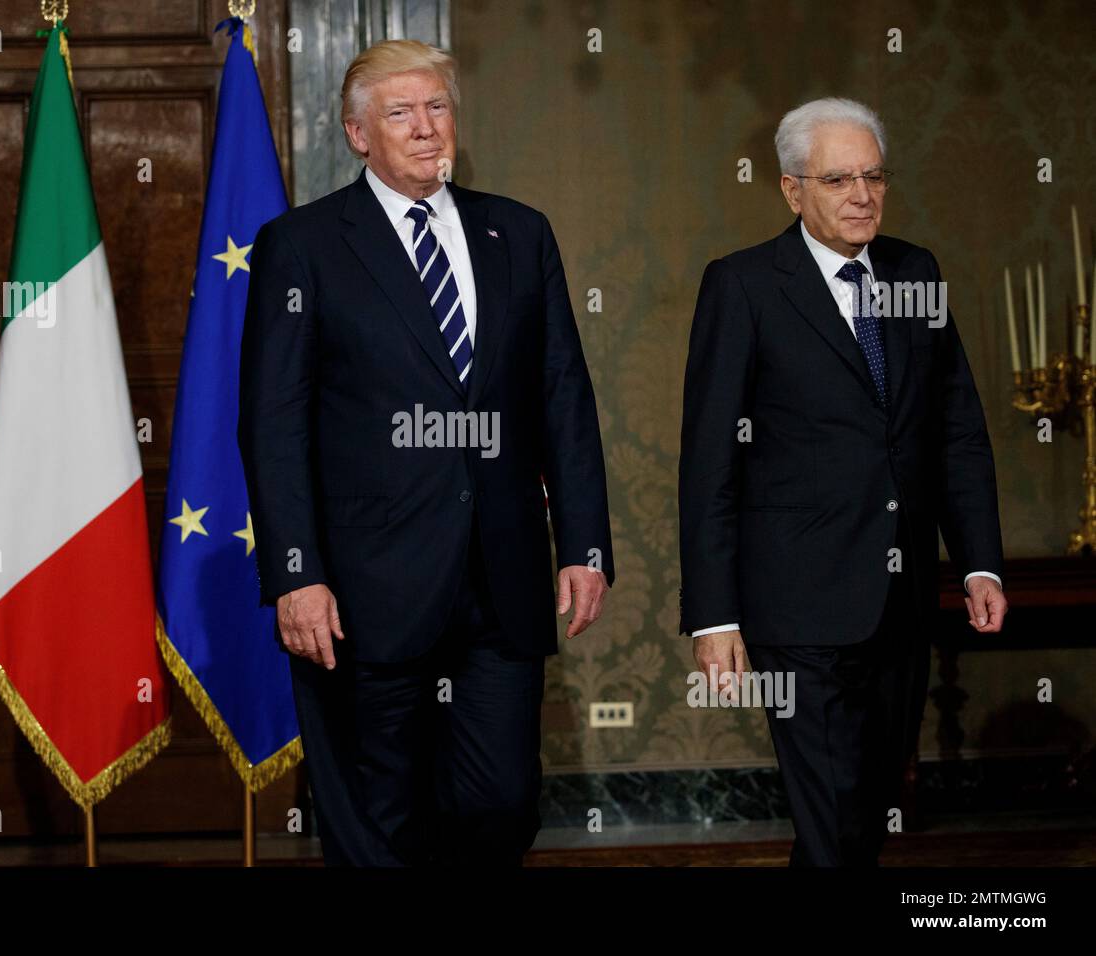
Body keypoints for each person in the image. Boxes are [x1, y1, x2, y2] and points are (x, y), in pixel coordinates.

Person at [238, 39, 613, 866]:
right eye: (400, 112)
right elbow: (274, 423)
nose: (423, 128)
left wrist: (584, 544)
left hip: (500, 580)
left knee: (502, 805)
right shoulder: (302, 247)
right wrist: (296, 572)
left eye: (437, 107)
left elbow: (563, 399)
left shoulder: (519, 233)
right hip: (363, 590)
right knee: (378, 820)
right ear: (358, 134)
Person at [679, 97, 1007, 866]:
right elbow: (710, 460)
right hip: (795, 604)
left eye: (873, 176)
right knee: (831, 818)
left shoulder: (914, 270)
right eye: (838, 180)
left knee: (863, 813)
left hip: (901, 594)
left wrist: (980, 560)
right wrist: (712, 615)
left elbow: (956, 428)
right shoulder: (745, 286)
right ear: (793, 190)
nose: (862, 195)